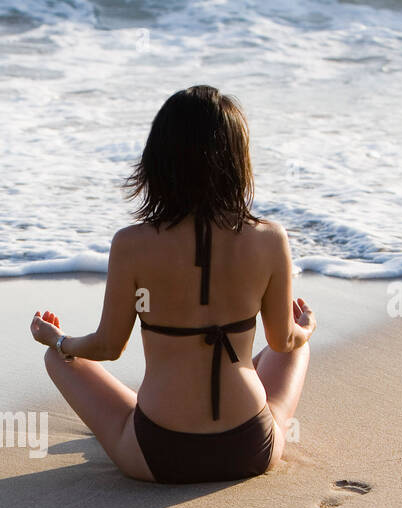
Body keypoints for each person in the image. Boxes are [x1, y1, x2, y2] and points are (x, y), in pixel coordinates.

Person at [30, 85, 316, 483]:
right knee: (288, 348)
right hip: (250, 447)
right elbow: (284, 341)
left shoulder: (132, 244)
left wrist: (59, 341)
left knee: (59, 359)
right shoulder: (270, 238)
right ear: (238, 161)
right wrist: (306, 328)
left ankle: (129, 402)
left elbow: (109, 346)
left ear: (159, 160)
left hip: (159, 454)